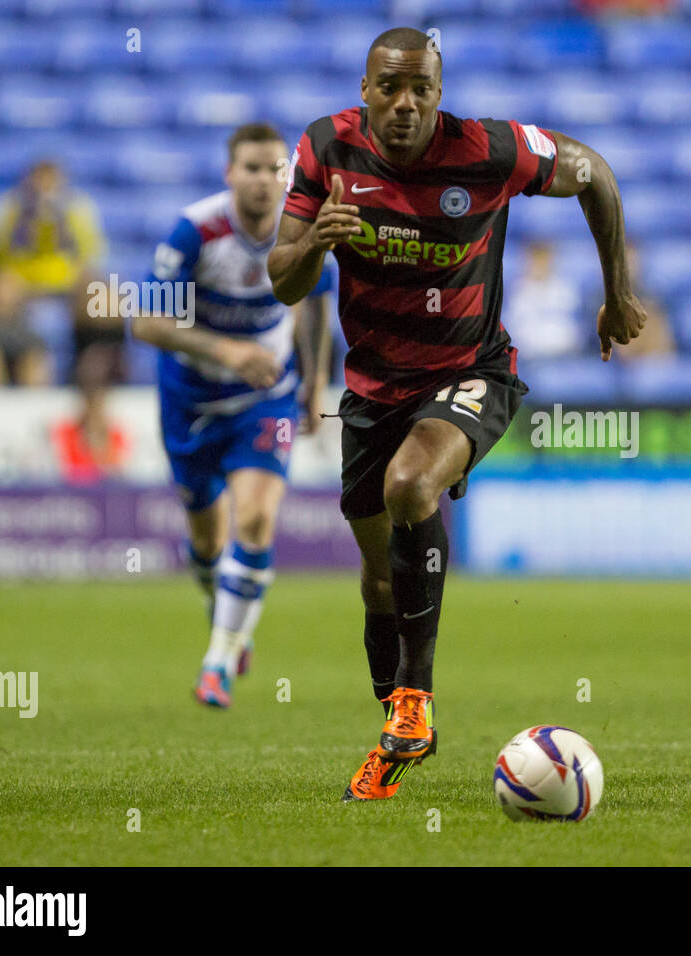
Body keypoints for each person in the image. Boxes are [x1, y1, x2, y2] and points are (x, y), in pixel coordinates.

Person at [268, 27, 646, 802]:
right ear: (366, 87)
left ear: (439, 93)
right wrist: (315, 243)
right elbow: (281, 278)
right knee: (378, 583)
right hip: (373, 389)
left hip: (472, 369)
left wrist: (617, 294)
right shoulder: (324, 149)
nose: (405, 103)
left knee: (412, 487)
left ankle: (414, 705)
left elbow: (597, 174)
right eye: (390, 88)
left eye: (422, 90)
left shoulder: (492, 150)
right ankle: (399, 729)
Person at [130, 122, 334, 710]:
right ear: (229, 173)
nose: (264, 180)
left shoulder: (302, 228)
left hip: (265, 398)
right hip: (191, 401)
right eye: (251, 168)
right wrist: (227, 351)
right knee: (205, 539)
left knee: (256, 522)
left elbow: (316, 298)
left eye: (275, 168)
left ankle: (218, 660)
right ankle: (221, 607)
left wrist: (315, 379)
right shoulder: (197, 231)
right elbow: (146, 323)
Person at [0, 160, 117, 385]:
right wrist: (26, 222)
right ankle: (5, 350)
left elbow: (91, 254)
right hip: (23, 282)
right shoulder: (12, 207)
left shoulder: (76, 208)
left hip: (67, 282)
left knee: (105, 296)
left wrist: (61, 222)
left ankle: (103, 369)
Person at [503, 241, 586, 359]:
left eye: (544, 261)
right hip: (529, 356)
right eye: (536, 261)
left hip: (565, 352)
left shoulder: (565, 288)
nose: (540, 266)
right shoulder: (517, 290)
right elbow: (515, 327)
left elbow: (575, 323)